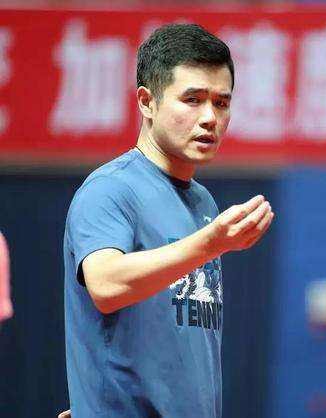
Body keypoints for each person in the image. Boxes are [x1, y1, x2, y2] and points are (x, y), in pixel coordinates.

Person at [62, 23, 273, 417]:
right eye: (192, 99)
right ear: (147, 102)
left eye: (221, 103)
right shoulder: (110, 189)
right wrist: (209, 244)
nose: (210, 117)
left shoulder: (203, 201)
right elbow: (105, 284)